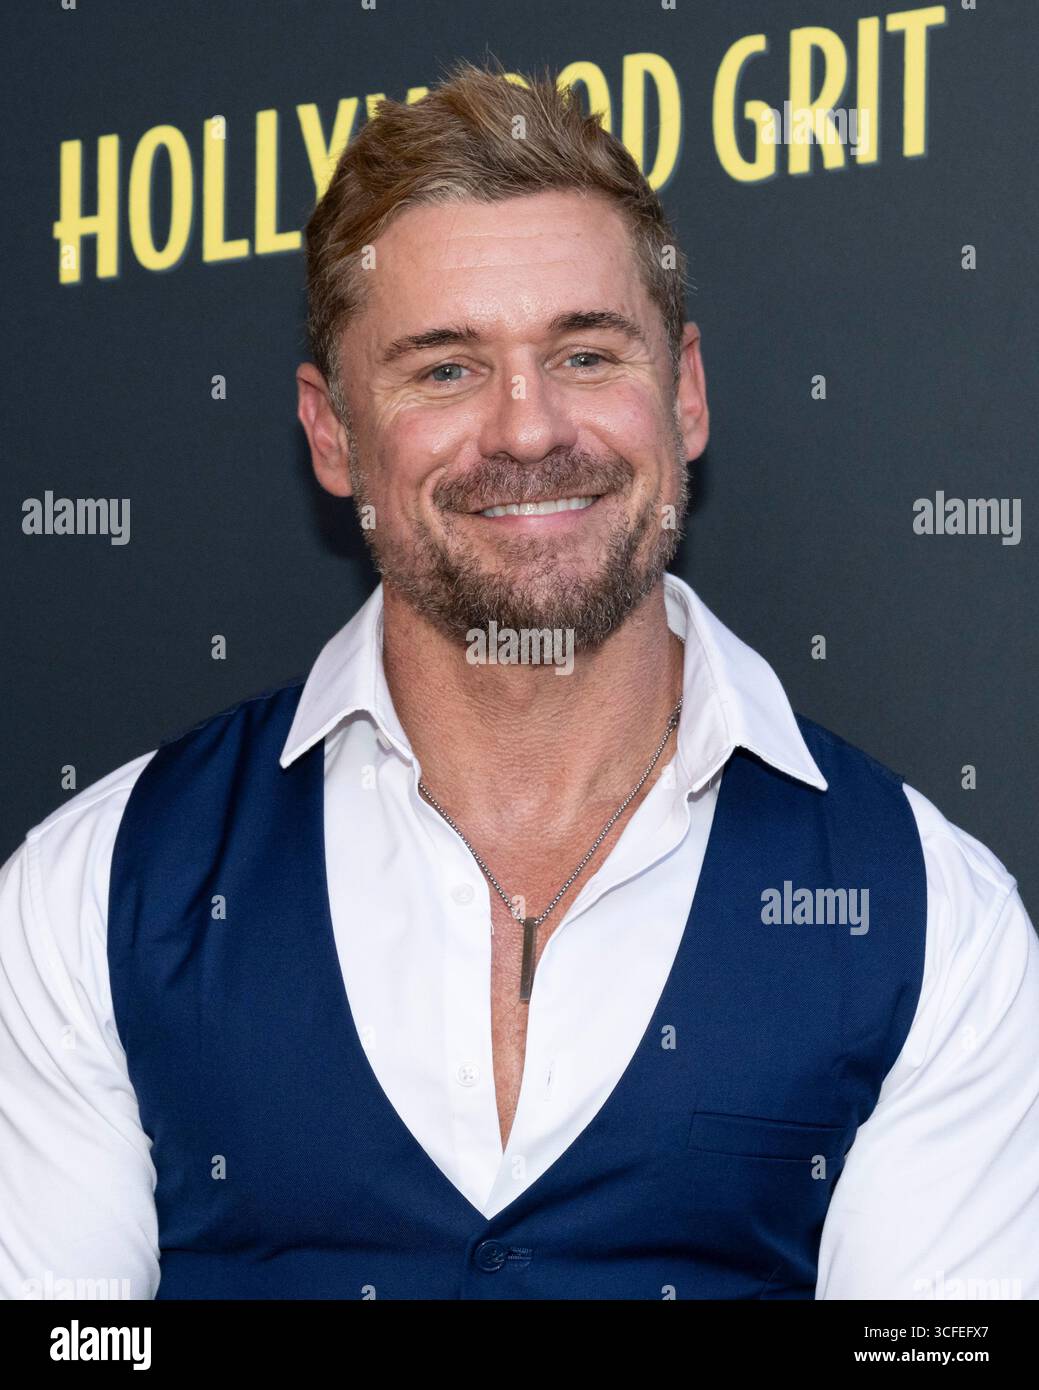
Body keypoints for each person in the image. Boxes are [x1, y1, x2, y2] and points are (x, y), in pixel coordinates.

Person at [2, 59, 1037, 1302]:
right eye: (444, 368)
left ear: (685, 393)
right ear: (334, 436)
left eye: (587, 354)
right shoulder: (91, 899)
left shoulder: (932, 922)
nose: (529, 428)